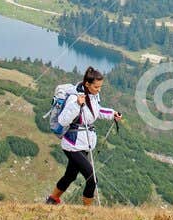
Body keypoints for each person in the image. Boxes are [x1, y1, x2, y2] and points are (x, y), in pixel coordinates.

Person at [46, 66, 123, 206]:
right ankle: (87, 213)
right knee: (92, 179)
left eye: (100, 87)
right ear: (87, 84)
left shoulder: (92, 96)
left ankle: (52, 200)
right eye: (96, 87)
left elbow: (96, 112)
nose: (99, 90)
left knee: (70, 176)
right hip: (72, 145)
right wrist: (76, 104)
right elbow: (62, 120)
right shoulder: (75, 98)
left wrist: (113, 114)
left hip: (83, 144)